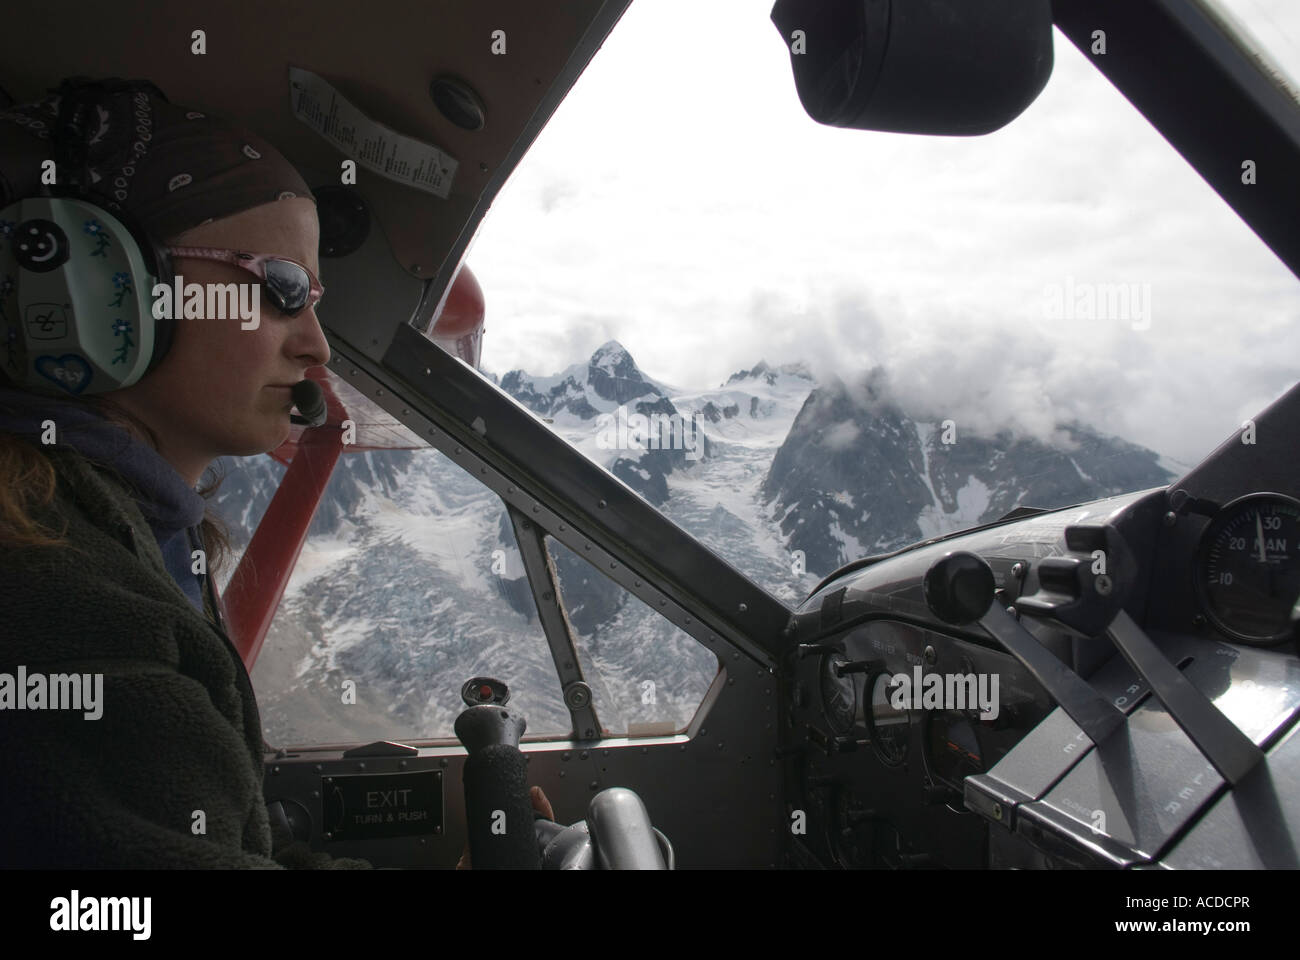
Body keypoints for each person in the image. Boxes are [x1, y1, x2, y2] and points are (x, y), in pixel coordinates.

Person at [0, 77, 549, 868]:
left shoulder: (113, 534)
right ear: (93, 278)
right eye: (283, 288)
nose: (317, 346)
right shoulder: (49, 592)